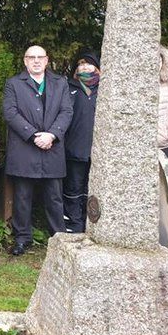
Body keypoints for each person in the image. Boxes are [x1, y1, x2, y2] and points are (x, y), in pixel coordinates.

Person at [2, 45, 73, 256]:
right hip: (25, 148)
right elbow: (10, 113)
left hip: (52, 147)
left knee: (54, 197)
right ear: (25, 61)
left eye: (40, 57)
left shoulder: (60, 83)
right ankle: (22, 238)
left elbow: (66, 111)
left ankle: (58, 239)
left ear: (46, 60)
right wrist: (33, 135)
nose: (36, 61)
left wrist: (51, 135)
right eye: (31, 57)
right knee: (23, 197)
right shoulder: (14, 84)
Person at [62, 53, 99, 234]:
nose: (84, 67)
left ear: (96, 67)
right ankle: (74, 224)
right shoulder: (70, 88)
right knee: (73, 187)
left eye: (88, 64)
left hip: (97, 149)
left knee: (90, 188)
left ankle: (90, 223)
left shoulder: (104, 89)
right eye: (81, 64)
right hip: (74, 147)